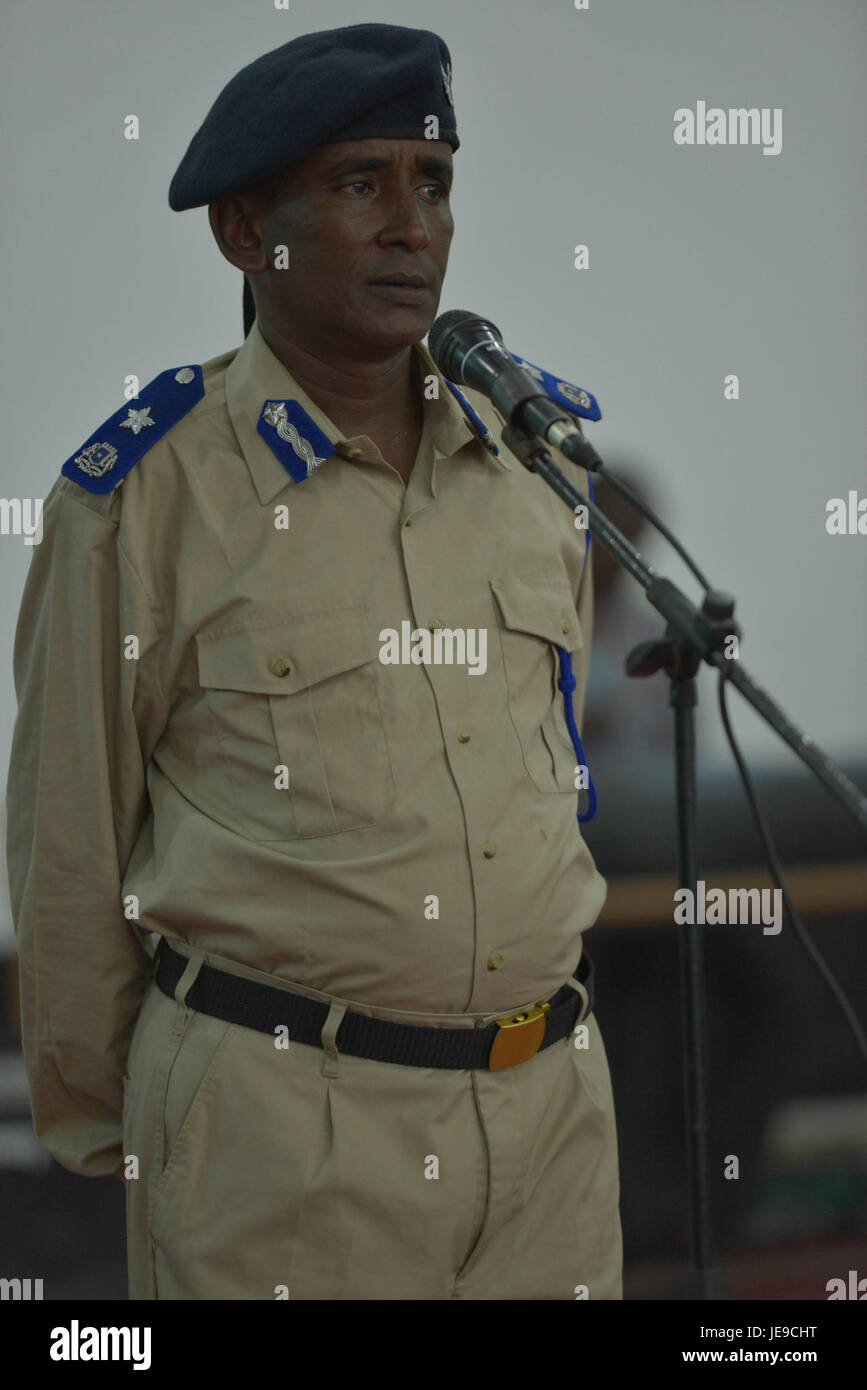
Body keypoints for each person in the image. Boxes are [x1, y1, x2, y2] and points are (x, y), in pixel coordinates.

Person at [6, 21, 623, 1300]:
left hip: (549, 1122)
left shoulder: (533, 464)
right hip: (284, 1140)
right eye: (361, 184)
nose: (414, 226)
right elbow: (68, 837)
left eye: (434, 182)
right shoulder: (142, 498)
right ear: (247, 234)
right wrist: (132, 1135)